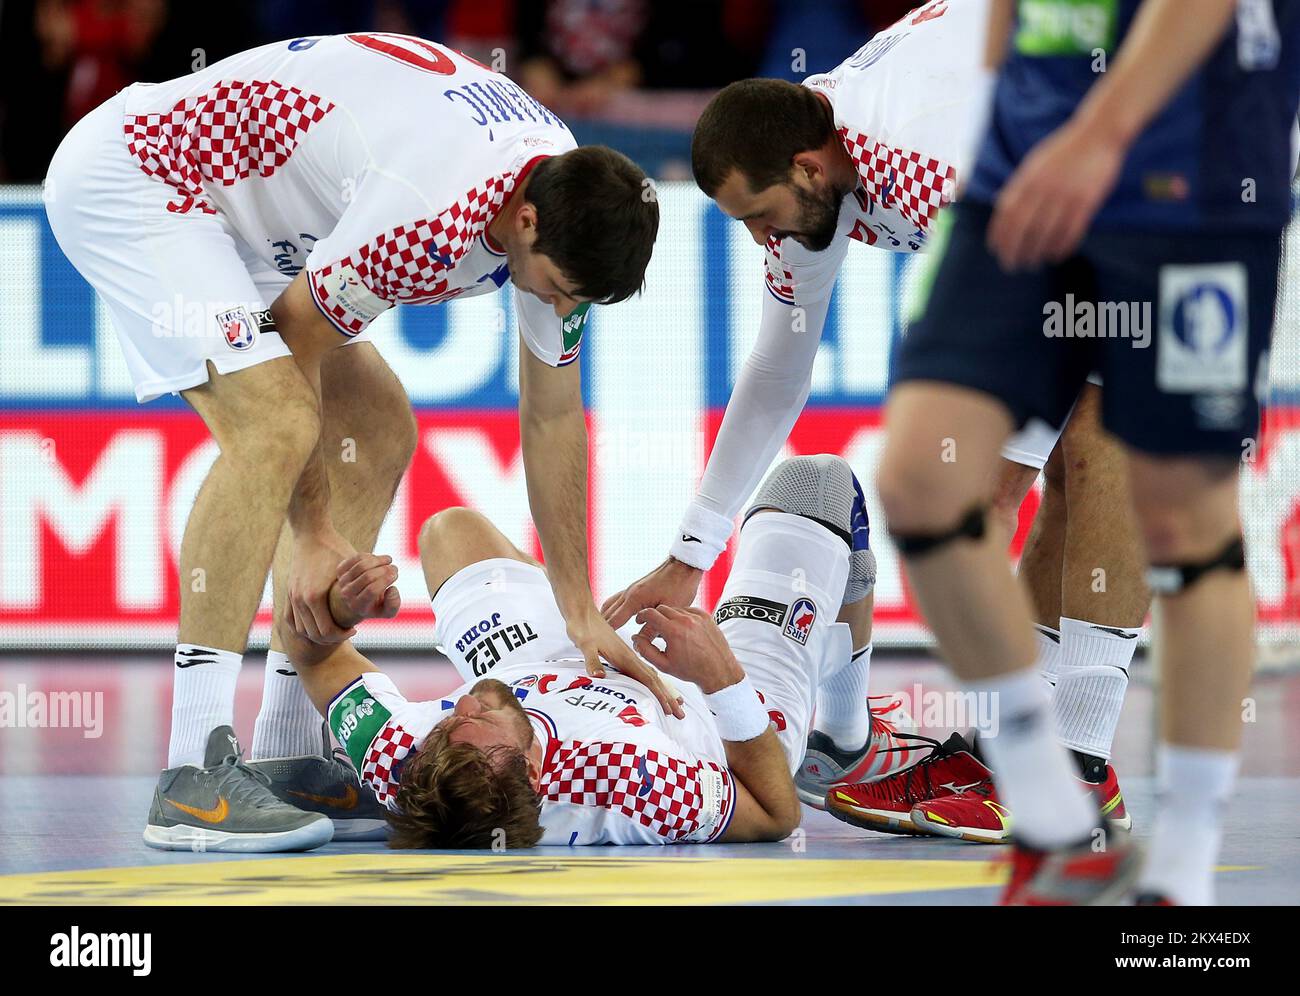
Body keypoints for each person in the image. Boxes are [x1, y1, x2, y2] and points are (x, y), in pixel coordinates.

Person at [44, 31, 668, 852]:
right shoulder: (430, 214)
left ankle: (291, 751)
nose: (555, 302)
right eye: (552, 285)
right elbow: (295, 354)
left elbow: (552, 412)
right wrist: (313, 535)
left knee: (376, 427)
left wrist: (580, 611)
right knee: (273, 422)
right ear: (524, 221)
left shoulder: (567, 199)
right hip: (145, 178)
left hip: (249, 217)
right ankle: (191, 771)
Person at [602, 0, 1145, 825]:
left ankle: (1073, 770)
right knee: (1032, 470)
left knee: (1106, 438)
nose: (759, 240)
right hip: (1064, 164)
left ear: (809, 169)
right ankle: (1023, 758)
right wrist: (690, 553)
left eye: (759, 216)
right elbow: (777, 374)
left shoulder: (927, 161)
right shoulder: (815, 175)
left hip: (1150, 147)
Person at [875, 0, 1300, 904]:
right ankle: (1054, 820)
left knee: (1183, 517)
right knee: (922, 480)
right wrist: (996, 118)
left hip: (1193, 166)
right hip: (1026, 158)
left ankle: (1181, 880)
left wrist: (1102, 133)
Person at [286, 455, 915, 846]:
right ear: (536, 773)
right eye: (474, 730)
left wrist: (338, 612)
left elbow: (312, 656)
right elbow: (777, 816)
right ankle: (842, 735)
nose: (459, 711)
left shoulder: (406, 758)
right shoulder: (633, 784)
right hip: (709, 711)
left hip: (538, 671)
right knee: (818, 487)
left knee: (451, 532)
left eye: (446, 729)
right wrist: (722, 678)